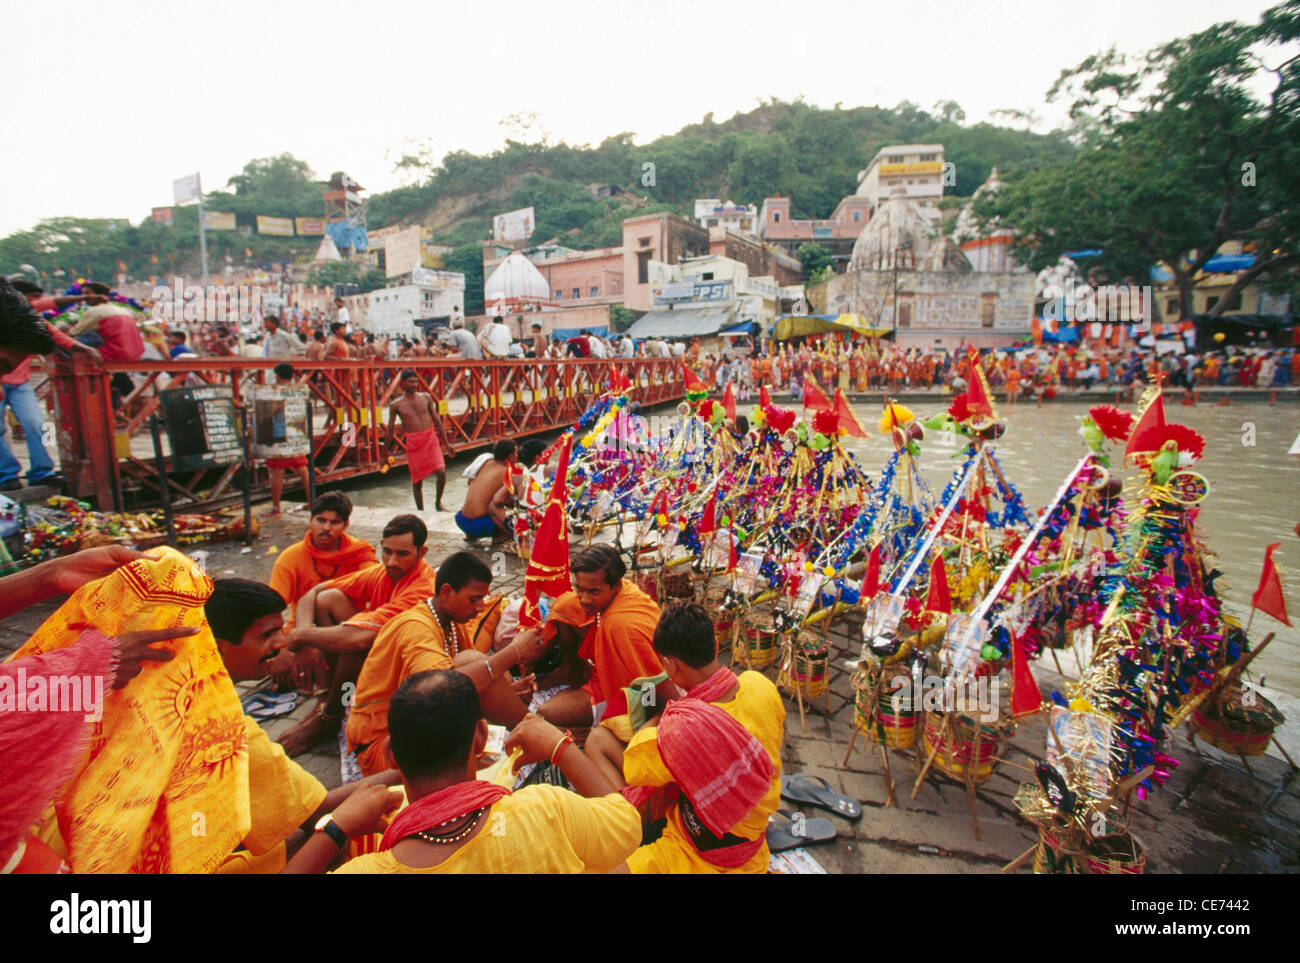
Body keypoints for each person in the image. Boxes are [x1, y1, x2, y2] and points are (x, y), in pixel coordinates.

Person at [285, 670, 641, 873]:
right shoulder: (545, 809)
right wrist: (560, 748)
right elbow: (627, 823)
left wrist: (335, 829)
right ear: (481, 738)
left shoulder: (368, 869)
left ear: (391, 756)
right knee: (614, 863)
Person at [203, 578, 402, 873]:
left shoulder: (181, 690)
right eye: (267, 635)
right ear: (220, 646)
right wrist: (407, 773)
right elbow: (316, 812)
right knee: (332, 836)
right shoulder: (224, 728)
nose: (281, 642)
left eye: (280, 630)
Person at [585, 602, 784, 873]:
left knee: (597, 743)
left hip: (693, 855)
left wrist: (657, 721)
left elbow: (633, 770)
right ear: (715, 646)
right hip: (751, 851)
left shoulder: (680, 731)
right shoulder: (760, 686)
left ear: (670, 665)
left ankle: (629, 828)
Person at [345, 551, 551, 774]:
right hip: (386, 744)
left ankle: (539, 736)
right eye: (474, 599)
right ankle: (542, 738)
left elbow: (468, 674)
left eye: (482, 598)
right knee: (486, 770)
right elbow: (441, 689)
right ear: (446, 592)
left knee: (478, 667)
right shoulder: (415, 627)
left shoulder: (451, 621)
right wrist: (515, 651)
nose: (481, 607)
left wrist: (506, 693)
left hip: (421, 722)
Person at [276, 514, 439, 756]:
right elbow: (314, 593)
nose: (392, 561)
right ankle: (332, 695)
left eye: (402, 554)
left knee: (358, 642)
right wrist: (305, 642)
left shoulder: (421, 587)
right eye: (387, 551)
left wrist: (298, 638)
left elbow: (358, 639)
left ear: (421, 552)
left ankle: (331, 713)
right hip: (378, 649)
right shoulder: (384, 572)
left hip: (411, 669)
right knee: (328, 600)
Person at [535, 544, 662, 728]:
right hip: (608, 670)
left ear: (616, 584)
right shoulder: (621, 589)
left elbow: (652, 686)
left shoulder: (621, 627)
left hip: (624, 693)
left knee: (546, 713)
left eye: (593, 592)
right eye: (579, 588)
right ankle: (570, 671)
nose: (585, 599)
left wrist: (643, 729)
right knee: (565, 604)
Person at [266, 490, 377, 648]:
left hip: (347, 628)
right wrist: (282, 648)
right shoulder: (289, 558)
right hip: (301, 629)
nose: (326, 528)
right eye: (321, 520)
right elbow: (272, 609)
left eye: (335, 522)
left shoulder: (360, 553)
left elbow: (377, 600)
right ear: (311, 520)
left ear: (346, 525)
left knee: (327, 597)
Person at [385, 369, 454, 512]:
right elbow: (390, 428)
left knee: (441, 472)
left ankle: (438, 503)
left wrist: (446, 443)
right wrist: (385, 452)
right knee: (417, 481)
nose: (415, 384)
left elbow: (436, 419)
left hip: (430, 438)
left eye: (416, 381)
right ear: (403, 383)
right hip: (413, 441)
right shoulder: (396, 404)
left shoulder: (426, 397)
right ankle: (420, 510)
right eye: (411, 382)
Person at [262, 362, 313, 515]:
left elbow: (272, 412)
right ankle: (311, 501)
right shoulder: (298, 390)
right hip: (296, 434)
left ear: (277, 376)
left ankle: (276, 507)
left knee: (277, 472)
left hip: (280, 434)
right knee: (303, 469)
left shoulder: (277, 392)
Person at [455, 438, 516, 541]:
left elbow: (469, 482)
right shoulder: (508, 472)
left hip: (461, 519)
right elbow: (510, 501)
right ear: (511, 456)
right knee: (504, 508)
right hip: (481, 525)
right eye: (516, 453)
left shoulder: (485, 463)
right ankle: (499, 537)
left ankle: (470, 535)